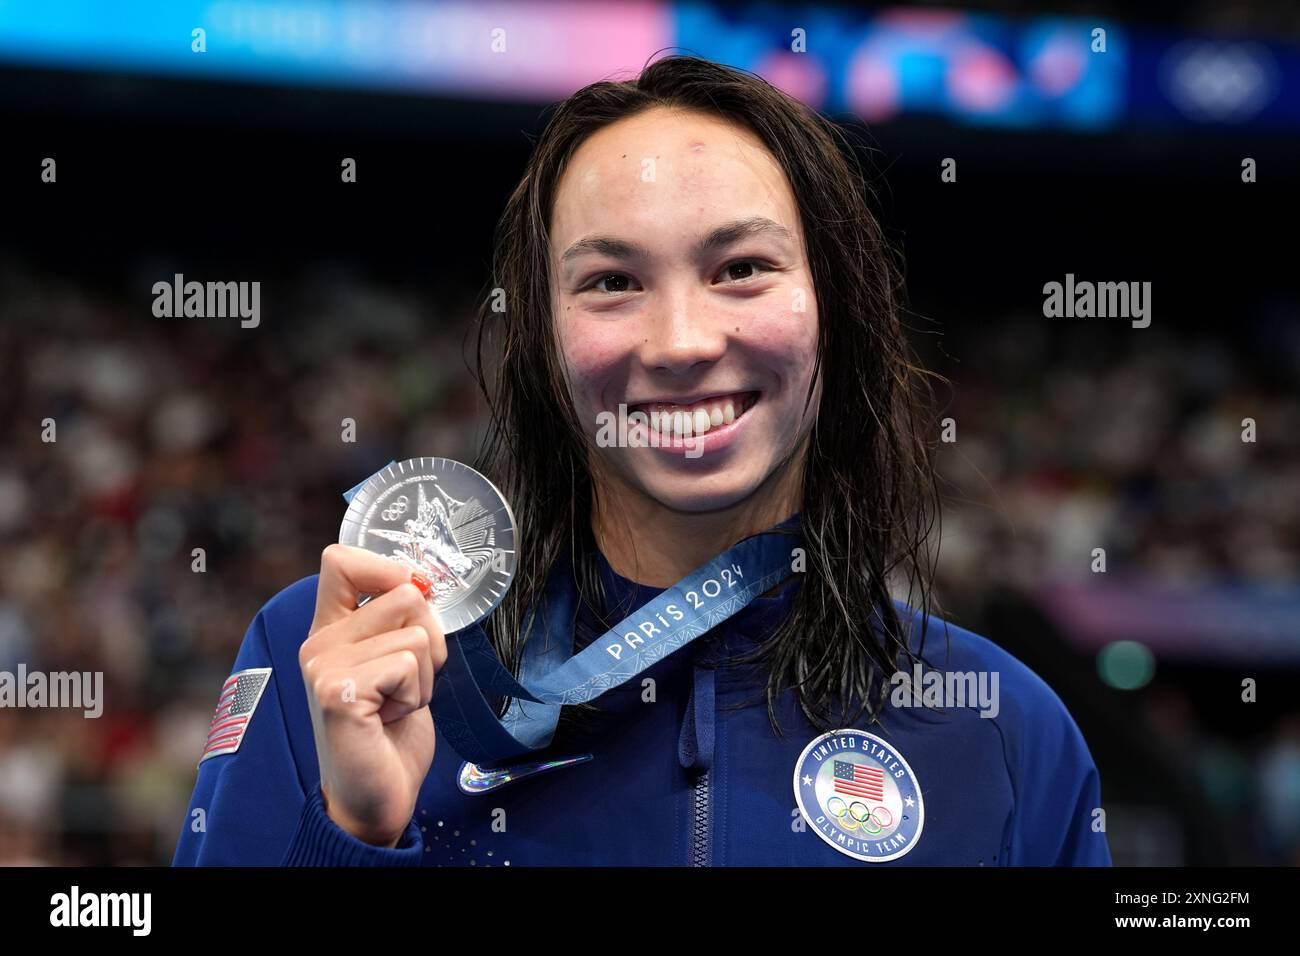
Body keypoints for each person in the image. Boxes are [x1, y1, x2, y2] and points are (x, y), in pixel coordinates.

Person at [172, 54, 1111, 866]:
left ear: (839, 306)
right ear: (542, 341)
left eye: (741, 268)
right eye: (612, 282)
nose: (681, 343)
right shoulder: (343, 661)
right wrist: (355, 835)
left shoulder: (1005, 730)